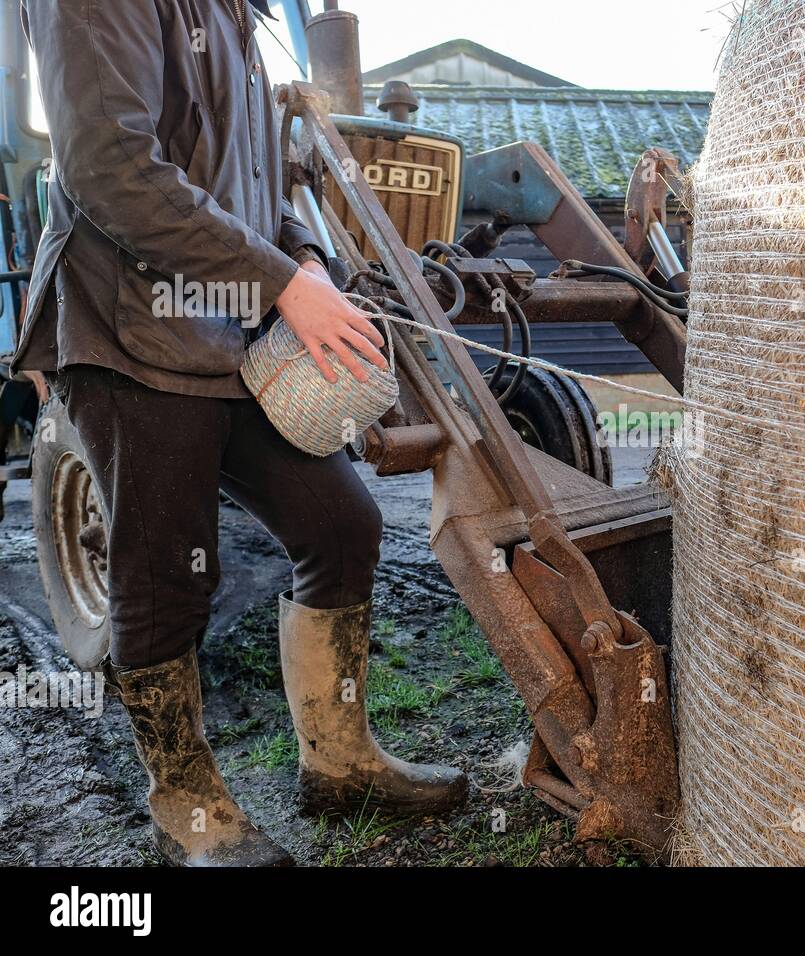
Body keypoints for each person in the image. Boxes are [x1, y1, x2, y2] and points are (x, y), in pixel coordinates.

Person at [10, 0, 466, 866]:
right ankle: (186, 810)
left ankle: (340, 763)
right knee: (169, 574)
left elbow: (248, 186)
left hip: (233, 329)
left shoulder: (233, 16)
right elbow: (110, 168)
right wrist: (280, 285)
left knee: (341, 526)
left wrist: (305, 260)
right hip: (129, 327)